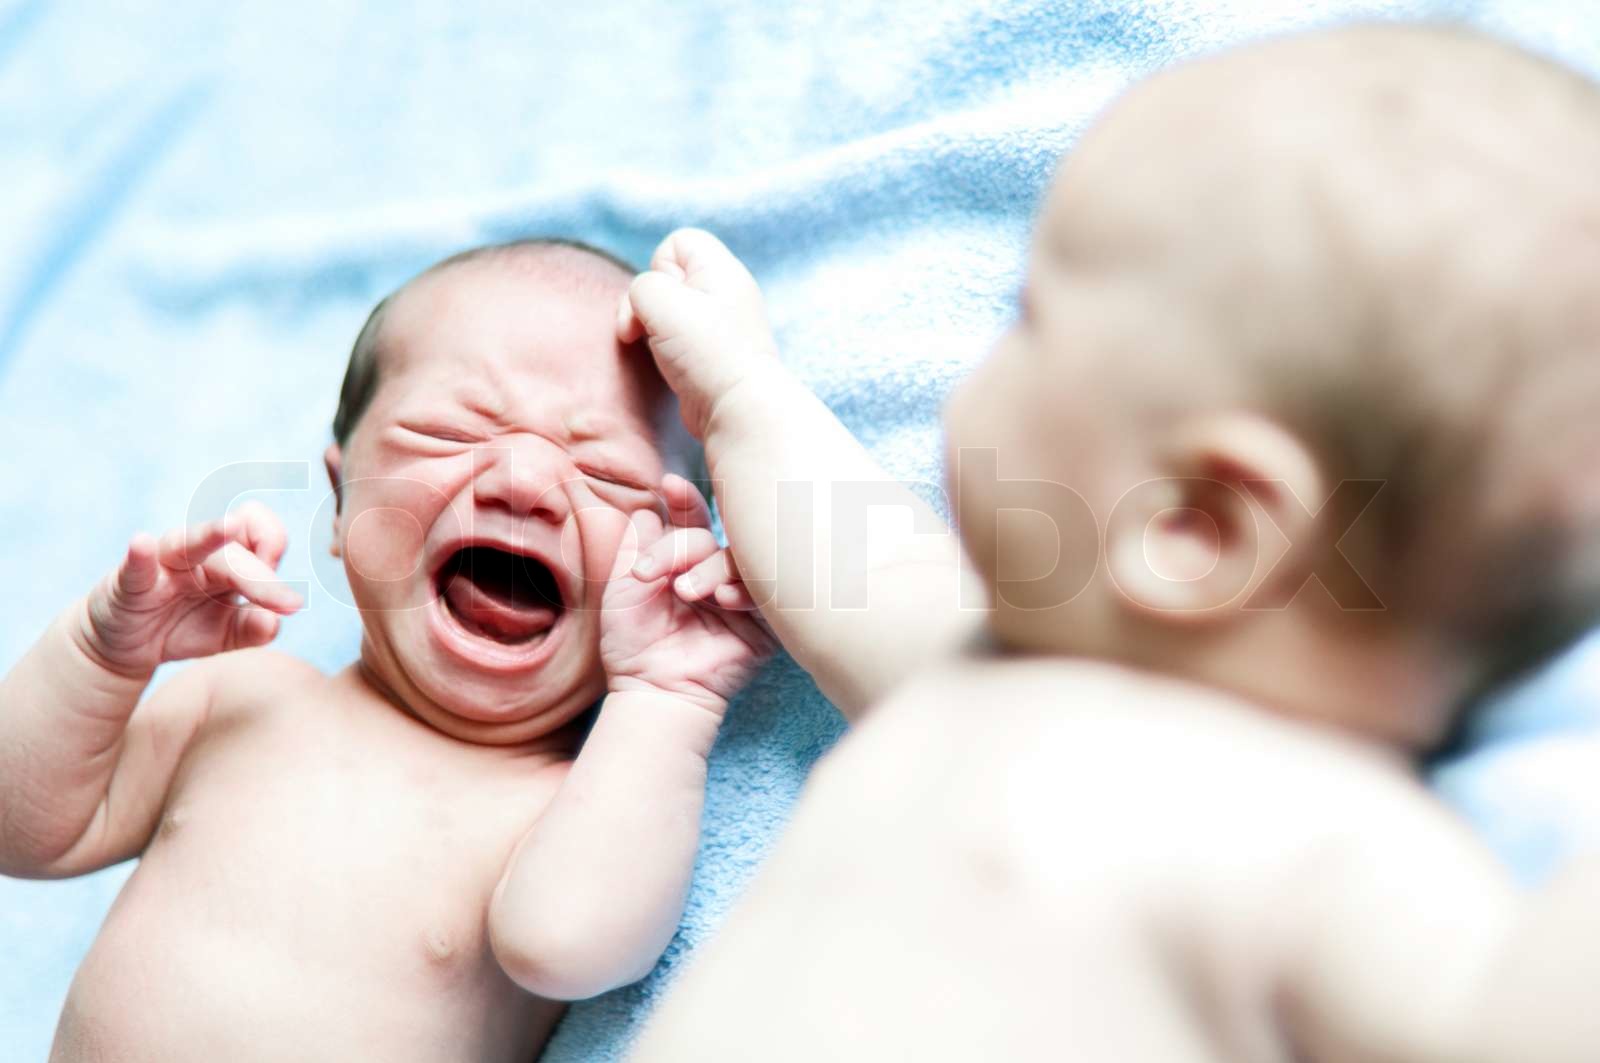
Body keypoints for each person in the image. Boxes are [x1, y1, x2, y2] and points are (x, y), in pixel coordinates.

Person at [619, 24, 1600, 1062]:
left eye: (1025, 318)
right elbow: (850, 561)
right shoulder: (982, 667)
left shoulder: (1331, 847)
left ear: (1193, 526)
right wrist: (740, 394)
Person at [0, 239, 772, 1062]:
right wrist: (102, 652)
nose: (524, 482)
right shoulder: (241, 701)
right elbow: (23, 830)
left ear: (674, 558)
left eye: (607, 473)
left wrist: (666, 699)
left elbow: (568, 948)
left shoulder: (567, 808)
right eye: (448, 432)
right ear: (340, 501)